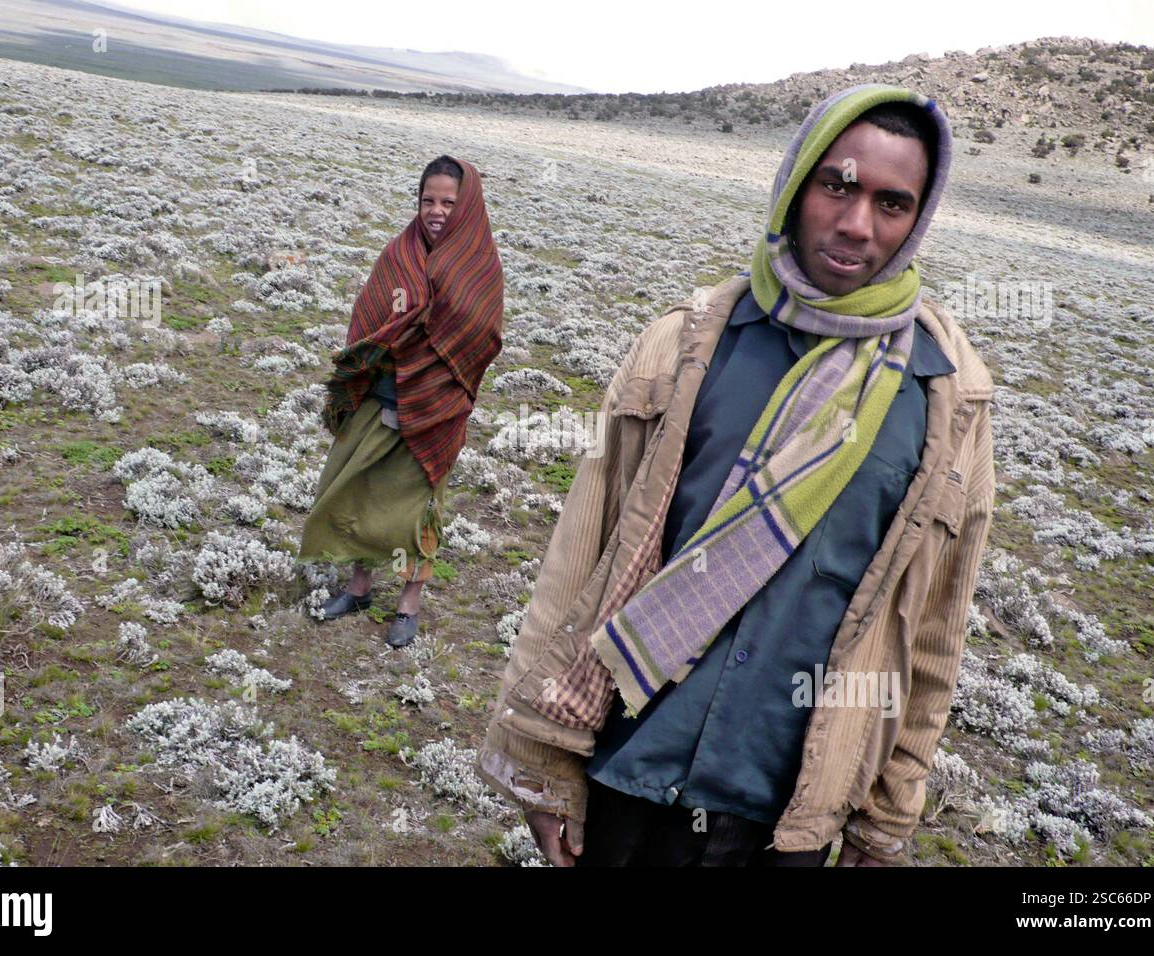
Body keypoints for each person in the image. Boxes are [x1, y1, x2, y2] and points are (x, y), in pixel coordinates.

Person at [476, 84, 996, 866]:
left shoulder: (948, 398)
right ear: (795, 187)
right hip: (627, 770)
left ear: (918, 219)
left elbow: (930, 634)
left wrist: (887, 815)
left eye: (892, 204)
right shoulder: (686, 345)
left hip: (782, 818)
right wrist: (542, 763)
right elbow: (577, 559)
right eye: (838, 186)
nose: (858, 224)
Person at [299, 155, 503, 648]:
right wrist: (383, 346)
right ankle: (360, 587)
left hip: (434, 408)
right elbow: (369, 316)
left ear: (467, 206)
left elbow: (482, 335)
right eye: (427, 200)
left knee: (418, 508)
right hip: (379, 396)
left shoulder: (480, 265)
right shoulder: (400, 252)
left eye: (448, 202)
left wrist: (421, 338)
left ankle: (409, 601)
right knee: (361, 490)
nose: (436, 211)